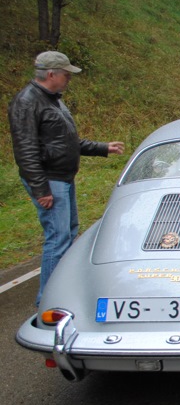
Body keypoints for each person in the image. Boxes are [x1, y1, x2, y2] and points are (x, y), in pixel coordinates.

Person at [8, 51, 125, 306]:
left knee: (69, 233)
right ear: (51, 74)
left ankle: (62, 292)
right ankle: (48, 302)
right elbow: (25, 150)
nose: (68, 79)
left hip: (62, 178)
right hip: (49, 181)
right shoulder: (27, 102)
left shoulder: (53, 101)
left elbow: (66, 142)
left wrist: (102, 147)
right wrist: (41, 189)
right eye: (65, 74)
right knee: (58, 238)